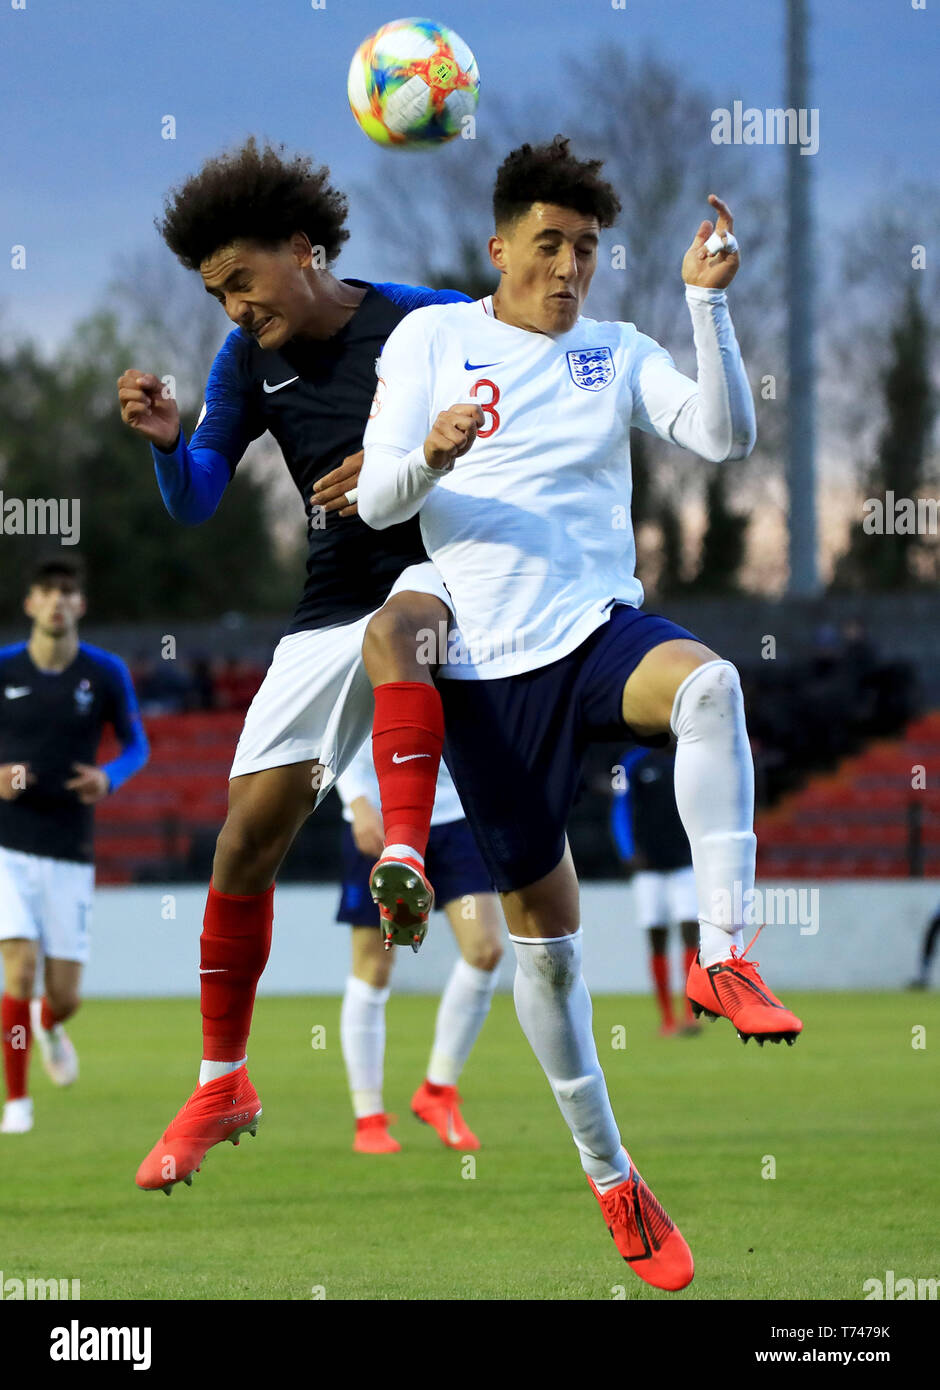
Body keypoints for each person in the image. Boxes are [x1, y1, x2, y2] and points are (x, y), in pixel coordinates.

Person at [358, 135, 804, 1291]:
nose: (568, 267)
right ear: (498, 246)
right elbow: (375, 501)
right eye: (547, 244)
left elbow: (721, 437)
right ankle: (614, 1179)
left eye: (588, 249)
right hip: (487, 678)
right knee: (546, 954)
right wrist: (433, 451)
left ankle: (725, 955)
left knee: (712, 686)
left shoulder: (616, 351)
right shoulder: (432, 339)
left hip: (597, 630)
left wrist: (706, 308)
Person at [117, 138, 468, 1193]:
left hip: (455, 572)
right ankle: (222, 1080)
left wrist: (405, 465)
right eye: (214, 290)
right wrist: (168, 443)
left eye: (240, 280)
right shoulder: (243, 363)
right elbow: (197, 497)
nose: (231, 307)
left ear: (303, 248)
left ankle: (401, 851)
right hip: (330, 603)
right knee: (242, 843)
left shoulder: (428, 318)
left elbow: (512, 433)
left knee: (401, 628)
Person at [0, 556, 149, 1134]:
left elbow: (137, 744)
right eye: (47, 592)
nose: (57, 601)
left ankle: (49, 1023)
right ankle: (17, 1102)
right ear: (30, 604)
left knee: (65, 995)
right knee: (19, 967)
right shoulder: (5, 667)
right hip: (8, 846)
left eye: (67, 592)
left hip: (69, 849)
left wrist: (109, 778)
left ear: (79, 605)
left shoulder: (106, 672)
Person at [334, 741, 501, 1152]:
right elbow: (338, 732)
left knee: (486, 948)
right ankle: (368, 1117)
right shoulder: (365, 672)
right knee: (373, 967)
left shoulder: (460, 671)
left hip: (455, 818)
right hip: (380, 816)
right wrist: (357, 804)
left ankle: (438, 1092)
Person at [610, 747, 700, 1037]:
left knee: (690, 930)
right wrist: (628, 851)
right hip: (648, 867)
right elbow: (620, 807)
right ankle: (667, 1018)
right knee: (657, 936)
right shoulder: (632, 762)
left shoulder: (691, 756)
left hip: (685, 863)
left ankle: (690, 1014)